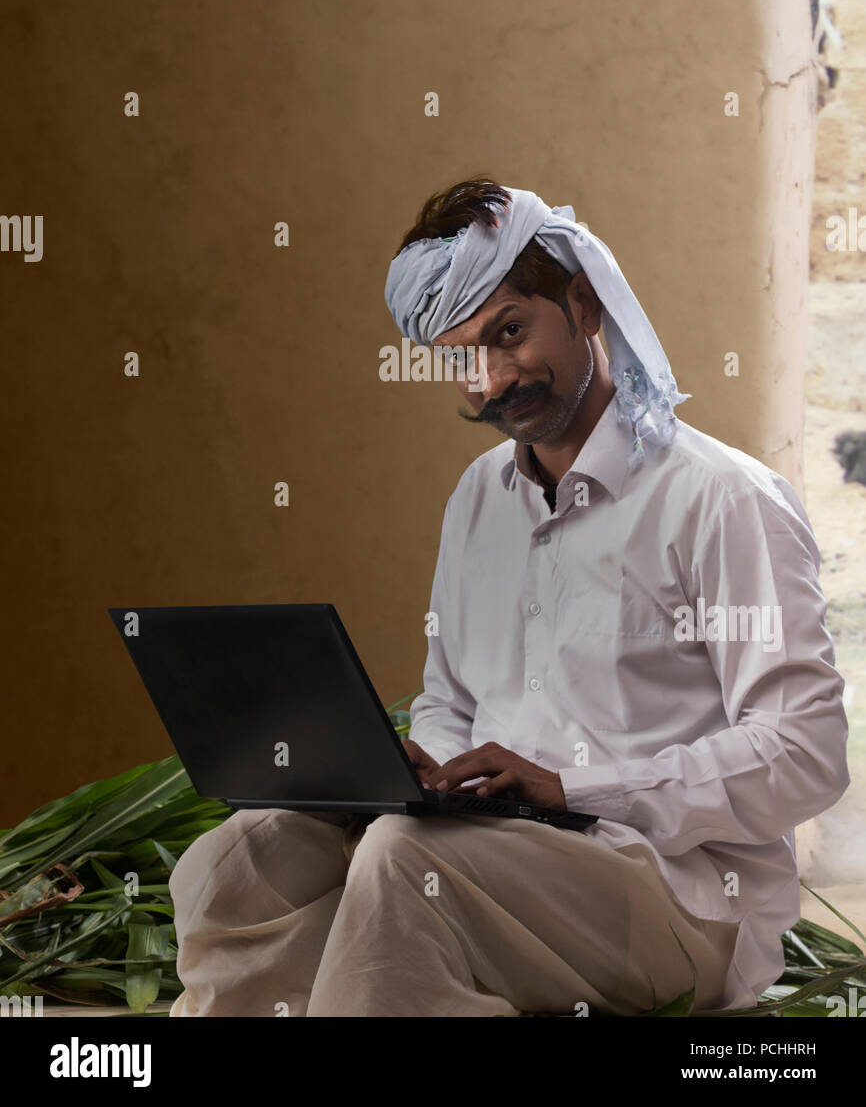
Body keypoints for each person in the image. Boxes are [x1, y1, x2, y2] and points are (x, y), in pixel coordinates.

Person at [167, 177, 849, 1017]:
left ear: (584, 304)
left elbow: (805, 753)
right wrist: (426, 770)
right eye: (459, 356)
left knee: (405, 859)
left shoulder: (724, 499)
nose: (488, 381)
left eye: (509, 333)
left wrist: (572, 788)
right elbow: (451, 701)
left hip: (682, 894)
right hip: (497, 848)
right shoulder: (478, 499)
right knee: (235, 862)